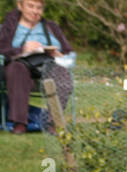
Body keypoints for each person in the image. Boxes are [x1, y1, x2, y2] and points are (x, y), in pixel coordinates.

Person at [0, 0, 73, 134]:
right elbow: (2, 50)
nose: (35, 11)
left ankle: (53, 123)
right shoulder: (10, 26)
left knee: (62, 73)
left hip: (48, 62)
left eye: (39, 8)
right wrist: (22, 49)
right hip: (20, 62)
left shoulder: (51, 26)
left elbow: (70, 53)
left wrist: (60, 55)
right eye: (31, 6)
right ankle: (20, 123)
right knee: (16, 70)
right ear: (20, 6)